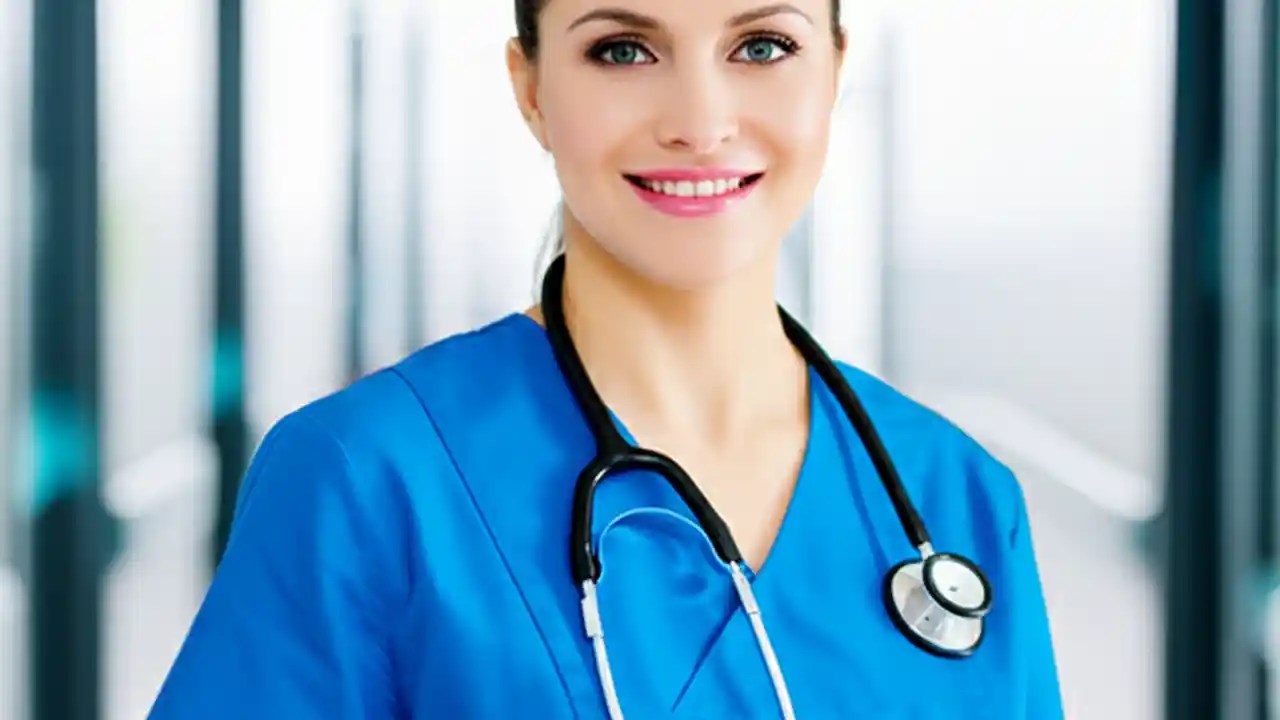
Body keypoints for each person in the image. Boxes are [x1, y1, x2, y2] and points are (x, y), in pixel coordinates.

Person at [149, 0, 1064, 717]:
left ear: (834, 71)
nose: (700, 123)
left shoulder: (959, 498)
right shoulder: (367, 479)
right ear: (531, 88)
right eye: (624, 49)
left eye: (762, 46)